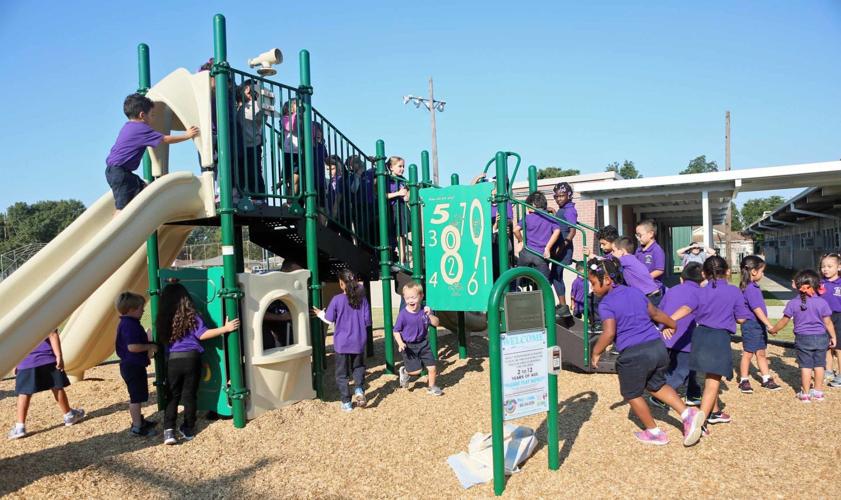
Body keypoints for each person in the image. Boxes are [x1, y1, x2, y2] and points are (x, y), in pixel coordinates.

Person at [588, 257, 705, 446]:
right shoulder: (635, 292)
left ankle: (654, 432)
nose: (592, 288)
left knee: (632, 394)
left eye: (593, 283)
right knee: (656, 385)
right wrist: (672, 323)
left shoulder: (606, 304)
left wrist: (596, 351)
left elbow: (609, 333)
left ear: (607, 280)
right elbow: (656, 314)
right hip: (657, 348)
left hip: (634, 355)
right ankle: (687, 413)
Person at [157, 283, 240, 445]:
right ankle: (188, 427)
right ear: (186, 299)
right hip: (192, 359)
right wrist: (225, 328)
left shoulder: (163, 319)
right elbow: (202, 334)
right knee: (189, 394)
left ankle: (169, 431)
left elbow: (161, 340)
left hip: (173, 360)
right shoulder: (192, 316)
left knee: (172, 396)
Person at [106, 93, 199, 213]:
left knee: (145, 189)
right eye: (152, 115)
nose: (153, 118)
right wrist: (187, 135)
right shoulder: (141, 129)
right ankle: (117, 228)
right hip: (120, 173)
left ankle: (144, 215)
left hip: (117, 171)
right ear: (142, 115)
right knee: (121, 209)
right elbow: (165, 139)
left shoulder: (128, 127)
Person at [684, 256, 750, 426]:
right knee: (713, 383)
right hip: (719, 338)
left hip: (699, 335)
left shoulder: (700, 291)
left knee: (708, 376)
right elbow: (741, 319)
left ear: (704, 274)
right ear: (727, 272)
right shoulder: (733, 291)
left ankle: (714, 412)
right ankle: (700, 423)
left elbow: (688, 309)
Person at [769, 270, 837, 402]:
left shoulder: (793, 303)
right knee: (819, 365)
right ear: (817, 285)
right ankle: (818, 392)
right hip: (821, 337)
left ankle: (805, 394)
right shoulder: (822, 303)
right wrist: (833, 337)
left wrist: (773, 329)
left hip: (803, 338)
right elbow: (828, 322)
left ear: (798, 285)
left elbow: (784, 321)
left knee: (806, 366)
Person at [8, 329, 85, 440]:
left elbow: (12, 340)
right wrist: (59, 356)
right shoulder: (43, 314)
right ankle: (69, 415)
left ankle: (20, 426)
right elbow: (52, 334)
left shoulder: (19, 319)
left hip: (26, 361)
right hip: (47, 358)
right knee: (57, 387)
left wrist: (14, 362)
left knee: (24, 392)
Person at [313, 269, 372, 411]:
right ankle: (358, 389)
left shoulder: (337, 300)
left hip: (342, 344)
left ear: (341, 284)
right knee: (358, 367)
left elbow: (329, 319)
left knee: (342, 374)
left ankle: (346, 402)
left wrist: (320, 313)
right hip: (358, 341)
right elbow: (367, 322)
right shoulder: (362, 300)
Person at [650, 263, 703, 409]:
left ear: (681, 279)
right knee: (680, 370)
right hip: (686, 340)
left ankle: (693, 392)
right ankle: (662, 396)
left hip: (665, 335)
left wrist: (662, 327)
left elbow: (660, 310)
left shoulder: (672, 290)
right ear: (702, 280)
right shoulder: (700, 293)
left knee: (684, 366)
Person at [115, 292, 159, 437]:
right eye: (141, 308)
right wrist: (149, 346)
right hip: (132, 366)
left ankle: (139, 421)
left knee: (138, 395)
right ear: (132, 310)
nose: (143, 311)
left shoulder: (126, 323)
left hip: (131, 365)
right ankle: (137, 427)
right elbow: (132, 347)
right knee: (136, 397)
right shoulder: (130, 325)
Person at [737, 256, 781, 393]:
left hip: (757, 325)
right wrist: (769, 325)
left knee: (761, 352)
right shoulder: (750, 288)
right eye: (762, 271)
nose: (763, 274)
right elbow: (757, 309)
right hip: (752, 325)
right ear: (754, 271)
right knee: (748, 353)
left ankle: (766, 378)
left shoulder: (752, 286)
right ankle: (744, 380)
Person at [395, 281, 443, 396]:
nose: (410, 300)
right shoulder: (403, 314)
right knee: (416, 371)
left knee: (432, 368)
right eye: (407, 298)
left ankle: (432, 387)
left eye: (413, 297)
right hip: (409, 346)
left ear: (421, 296)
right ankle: (405, 371)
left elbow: (436, 323)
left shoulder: (424, 311)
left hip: (423, 343)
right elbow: (396, 330)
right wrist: (400, 343)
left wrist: (430, 315)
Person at [513, 191, 561, 283]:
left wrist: (521, 241)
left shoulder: (527, 217)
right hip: (541, 255)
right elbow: (557, 230)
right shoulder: (550, 217)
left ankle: (518, 285)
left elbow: (515, 230)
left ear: (533, 205)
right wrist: (547, 248)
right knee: (544, 283)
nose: (527, 209)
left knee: (518, 275)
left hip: (527, 252)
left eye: (528, 206)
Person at [236, 79, 268, 204]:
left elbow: (258, 113)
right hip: (241, 144)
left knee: (254, 171)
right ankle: (244, 195)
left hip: (253, 143)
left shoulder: (256, 105)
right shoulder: (240, 105)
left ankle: (259, 197)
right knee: (242, 171)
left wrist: (254, 93)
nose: (251, 91)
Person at [549, 182, 578, 316]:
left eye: (562, 196)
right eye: (556, 197)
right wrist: (555, 213)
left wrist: (561, 247)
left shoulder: (570, 210)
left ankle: (563, 306)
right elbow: (561, 223)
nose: (559, 199)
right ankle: (562, 305)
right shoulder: (563, 209)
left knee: (555, 276)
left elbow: (572, 231)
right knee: (556, 275)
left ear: (569, 195)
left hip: (563, 249)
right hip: (559, 247)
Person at [611, 236, 662, 306]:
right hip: (653, 294)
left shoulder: (625, 259)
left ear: (621, 251)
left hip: (649, 296)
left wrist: (594, 257)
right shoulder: (632, 258)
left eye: (614, 251)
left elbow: (609, 263)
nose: (612, 254)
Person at [818, 253, 841, 387]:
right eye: (823, 267)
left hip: (839, 317)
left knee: (839, 347)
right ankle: (828, 370)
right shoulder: (820, 284)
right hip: (824, 317)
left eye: (829, 266)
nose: (825, 269)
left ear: (839, 267)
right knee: (826, 344)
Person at [386, 156, 410, 265]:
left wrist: (406, 194)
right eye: (399, 166)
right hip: (391, 209)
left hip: (401, 208)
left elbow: (406, 197)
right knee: (391, 234)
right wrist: (398, 193)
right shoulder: (387, 179)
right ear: (391, 167)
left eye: (403, 166)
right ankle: (393, 258)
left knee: (401, 234)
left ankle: (403, 260)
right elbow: (383, 195)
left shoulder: (403, 180)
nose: (402, 169)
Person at [634, 220, 666, 292]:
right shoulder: (638, 250)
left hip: (653, 291)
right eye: (636, 235)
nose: (638, 238)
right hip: (640, 289)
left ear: (651, 234)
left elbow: (659, 270)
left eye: (640, 235)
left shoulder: (657, 250)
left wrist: (644, 278)